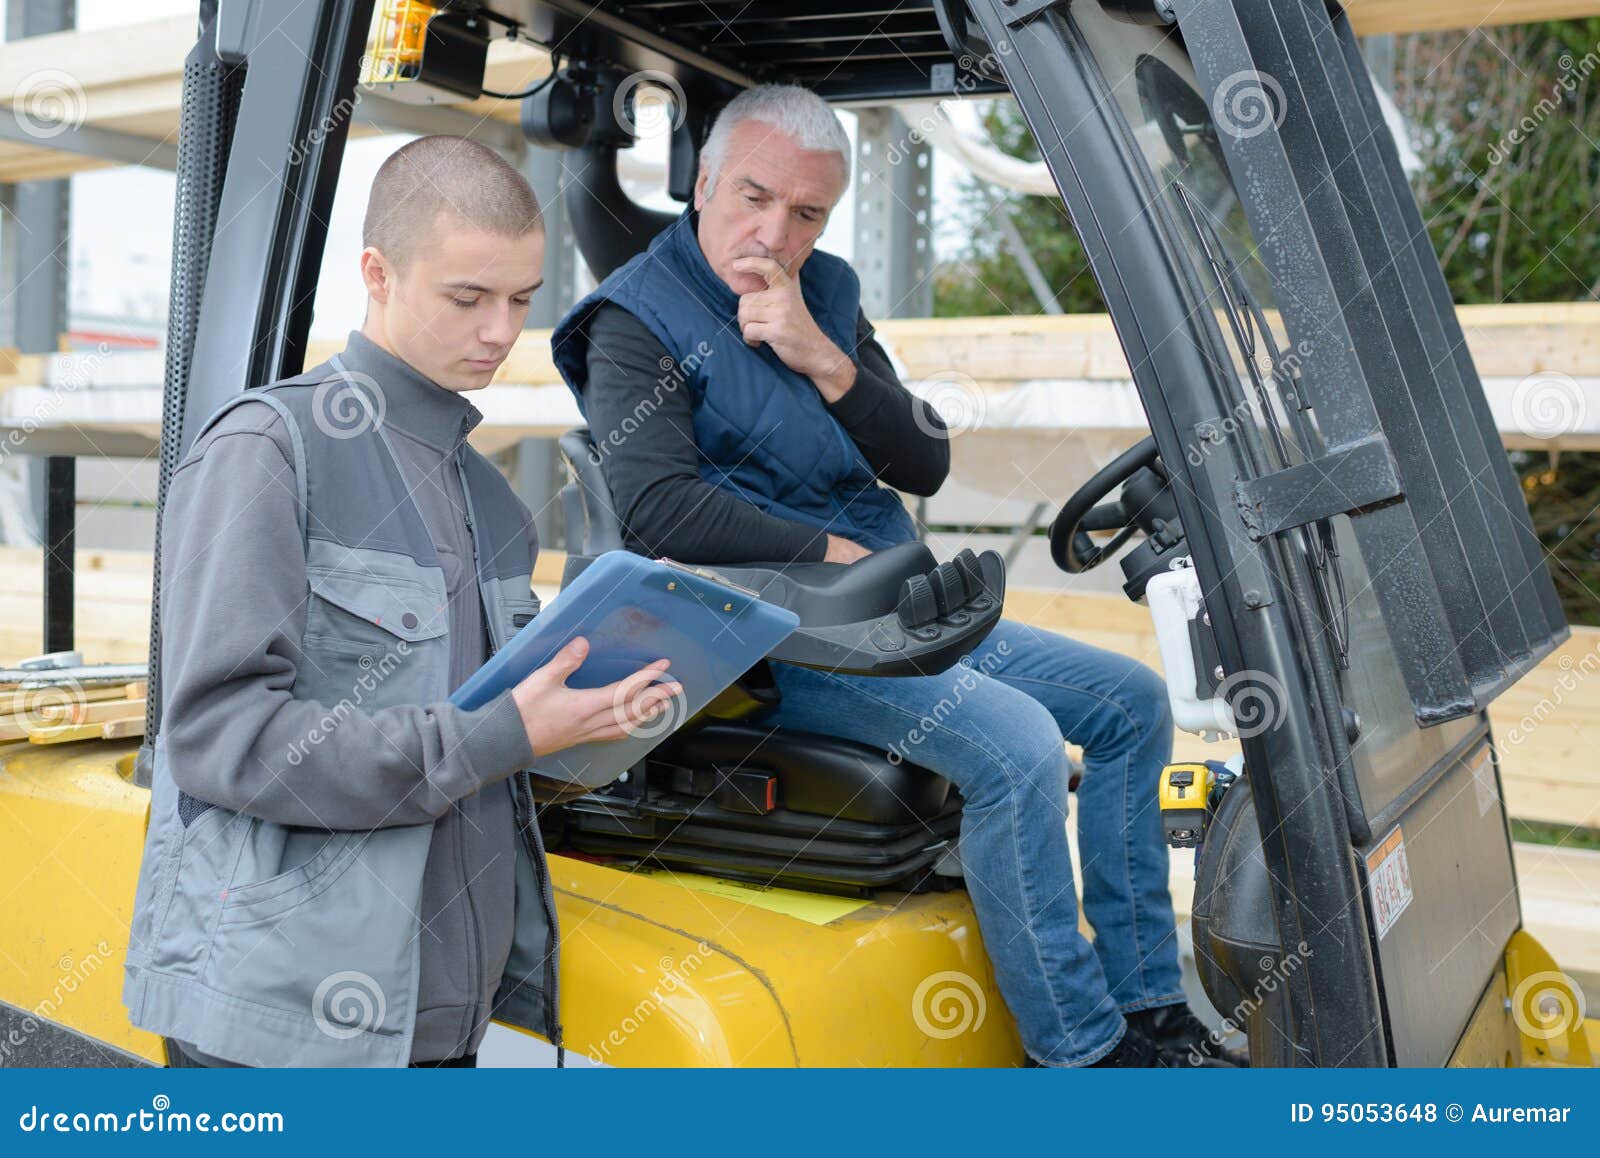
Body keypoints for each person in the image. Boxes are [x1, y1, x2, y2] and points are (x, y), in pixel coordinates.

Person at [552, 86, 1242, 1068]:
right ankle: (1085, 1055)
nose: (773, 232)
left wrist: (821, 357)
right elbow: (659, 507)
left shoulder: (820, 294)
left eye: (805, 214)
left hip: (890, 615)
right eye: (753, 197)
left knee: (1130, 702)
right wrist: (825, 554)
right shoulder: (636, 322)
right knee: (1017, 745)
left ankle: (1147, 1010)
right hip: (779, 635)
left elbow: (921, 461)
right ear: (702, 183)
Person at [123, 135, 679, 1068]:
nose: (501, 331)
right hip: (281, 1027)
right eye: (468, 298)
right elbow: (223, 739)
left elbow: (491, 740)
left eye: (520, 300)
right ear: (377, 274)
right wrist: (502, 733)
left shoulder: (493, 501)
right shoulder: (272, 451)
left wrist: (599, 712)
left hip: (439, 1023)